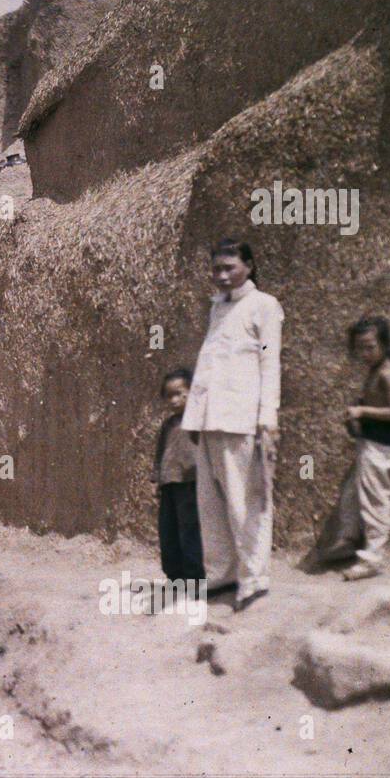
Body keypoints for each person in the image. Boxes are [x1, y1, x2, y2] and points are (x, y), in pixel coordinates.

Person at [181, 238, 284, 611]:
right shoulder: (217, 309)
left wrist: (266, 421)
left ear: (249, 266)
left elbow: (269, 366)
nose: (221, 276)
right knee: (211, 505)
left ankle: (254, 580)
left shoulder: (264, 306)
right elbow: (210, 366)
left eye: (229, 267)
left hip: (242, 421)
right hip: (209, 421)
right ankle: (221, 575)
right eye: (216, 269)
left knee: (247, 503)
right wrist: (195, 416)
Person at [314, 316, 390, 581]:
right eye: (359, 348)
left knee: (375, 502)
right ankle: (347, 540)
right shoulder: (377, 370)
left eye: (369, 347)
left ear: (385, 344)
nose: (364, 353)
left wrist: (361, 410)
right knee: (351, 494)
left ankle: (373, 559)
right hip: (373, 445)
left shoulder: (388, 373)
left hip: (382, 450)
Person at [152, 368, 205, 585]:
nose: (174, 400)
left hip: (190, 483)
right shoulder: (168, 424)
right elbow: (160, 452)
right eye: (169, 395)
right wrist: (155, 479)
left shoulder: (199, 422)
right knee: (168, 531)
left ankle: (194, 578)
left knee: (190, 530)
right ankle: (174, 576)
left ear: (191, 392)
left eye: (179, 393)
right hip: (169, 483)